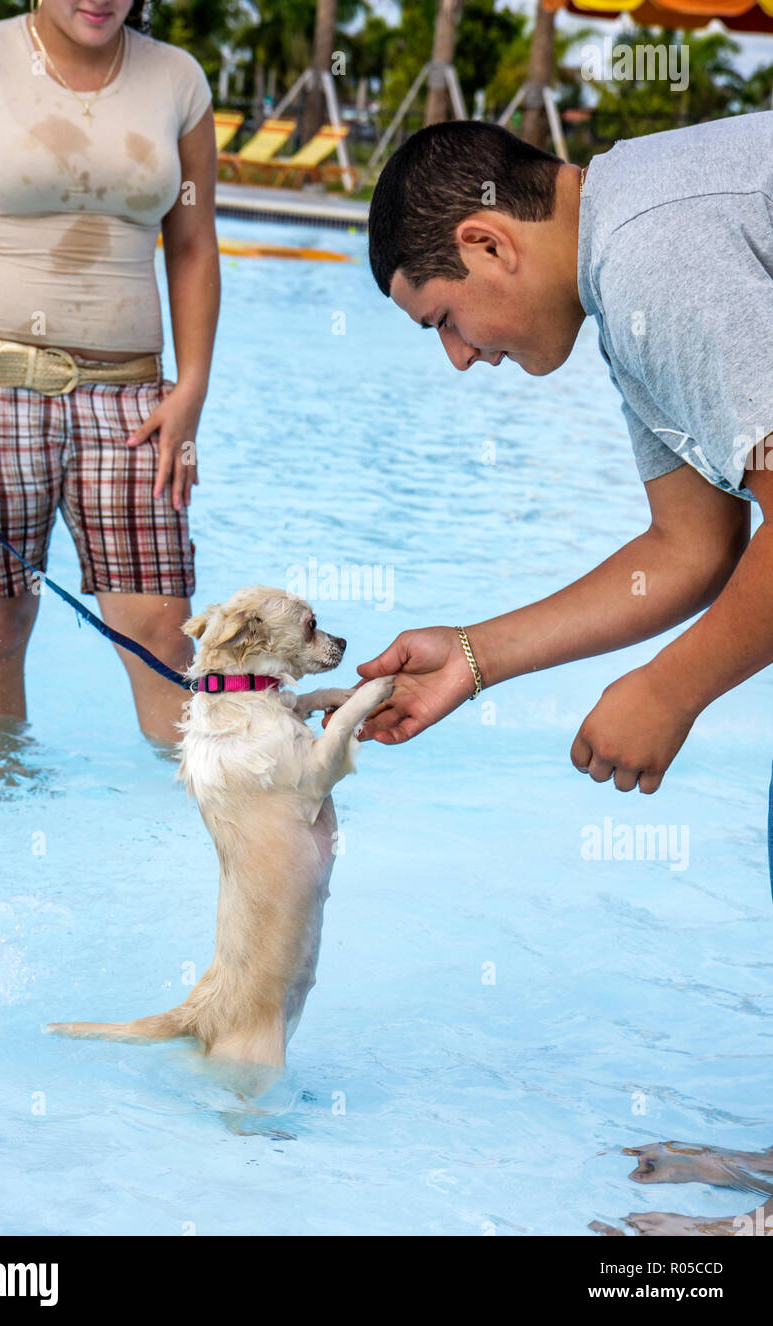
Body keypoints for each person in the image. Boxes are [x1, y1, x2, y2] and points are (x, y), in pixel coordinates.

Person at [330, 115, 773, 1236]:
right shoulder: (622, 265)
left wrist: (668, 690)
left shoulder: (652, 255)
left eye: (442, 319)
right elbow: (689, 546)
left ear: (486, 244)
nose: (460, 356)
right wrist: (472, 658)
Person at [0, 0, 219, 745]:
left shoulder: (177, 79)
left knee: (160, 631)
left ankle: (186, 833)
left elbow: (192, 245)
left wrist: (191, 391)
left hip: (132, 397)